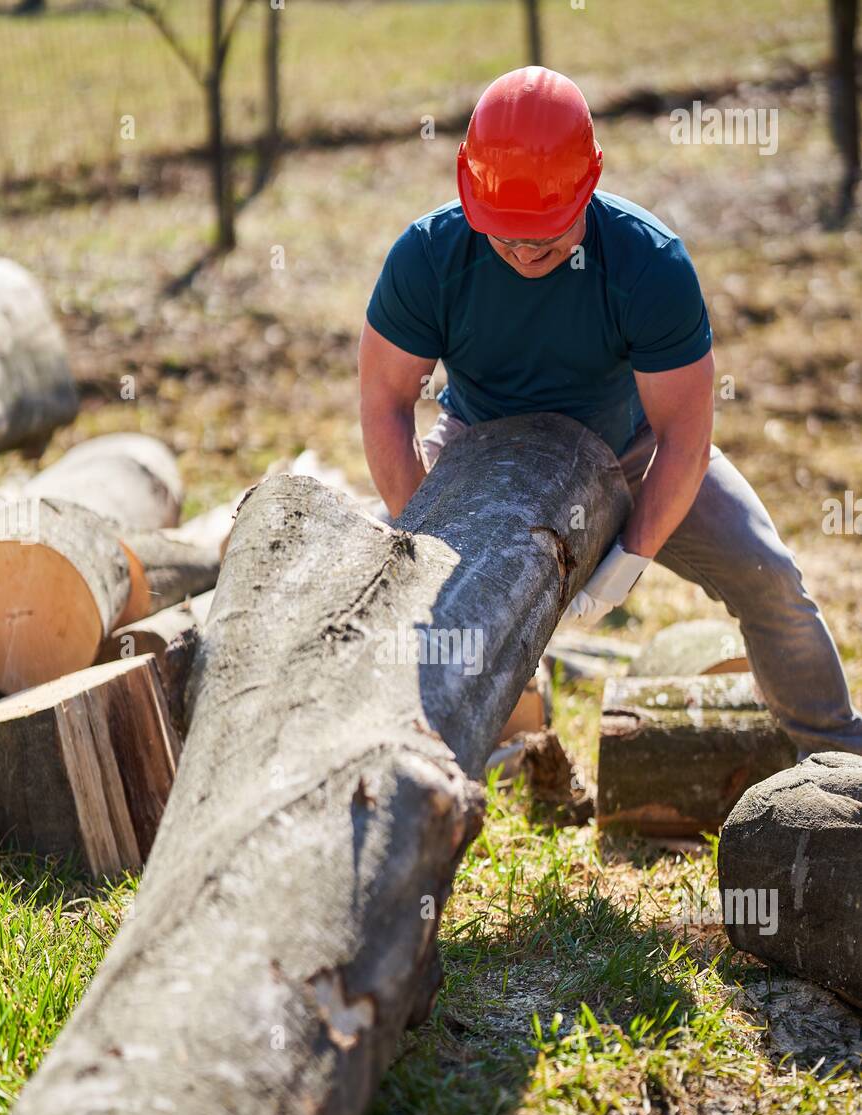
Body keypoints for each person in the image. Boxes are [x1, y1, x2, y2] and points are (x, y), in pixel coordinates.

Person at [359, 66, 862, 757]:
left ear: (590, 184)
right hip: (480, 448)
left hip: (635, 452)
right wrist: (421, 527)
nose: (526, 250)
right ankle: (418, 768)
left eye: (546, 233)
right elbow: (385, 401)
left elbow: (684, 435)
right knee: (427, 624)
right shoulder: (428, 257)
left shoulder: (647, 264)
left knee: (768, 577)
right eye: (507, 235)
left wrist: (631, 556)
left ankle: (838, 755)